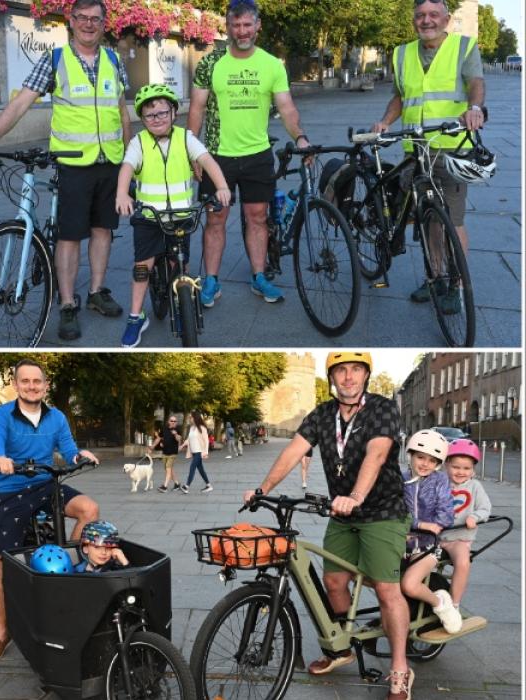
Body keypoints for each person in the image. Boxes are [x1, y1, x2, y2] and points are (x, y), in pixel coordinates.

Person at [244, 352, 414, 700]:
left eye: (355, 370)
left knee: (386, 590)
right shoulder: (322, 415)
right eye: (341, 370)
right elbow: (294, 450)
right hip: (342, 516)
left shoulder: (382, 408)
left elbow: (378, 453)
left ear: (366, 374)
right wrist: (263, 490)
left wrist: (355, 495)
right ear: (332, 376)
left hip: (382, 512)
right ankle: (342, 649)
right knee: (334, 582)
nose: (348, 377)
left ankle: (399, 667)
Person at [0, 0, 131, 341]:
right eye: (82, 18)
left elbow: (121, 110)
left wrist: (132, 156)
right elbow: (21, 102)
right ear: (71, 21)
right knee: (69, 236)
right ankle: (68, 304)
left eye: (96, 19)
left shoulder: (114, 60)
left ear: (104, 24)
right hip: (73, 163)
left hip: (111, 162)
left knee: (104, 230)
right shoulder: (55, 60)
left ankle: (97, 291)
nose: (89, 24)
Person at [187, 0, 311, 309]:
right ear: (227, 27)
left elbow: (286, 108)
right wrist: (192, 152)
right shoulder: (211, 61)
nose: (241, 31)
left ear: (257, 27)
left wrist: (301, 138)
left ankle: (259, 276)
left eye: (247, 25)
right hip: (217, 157)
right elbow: (197, 108)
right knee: (216, 219)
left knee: (258, 218)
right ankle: (212, 279)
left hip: (257, 155)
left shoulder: (271, 65)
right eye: (235, 25)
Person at [0, 359, 100, 663]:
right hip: (12, 489)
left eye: (37, 381)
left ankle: (69, 567)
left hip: (47, 484)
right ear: (16, 384)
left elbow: (68, 449)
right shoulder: (0, 415)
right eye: (26, 381)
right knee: (3, 565)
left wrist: (80, 455)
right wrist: (0, 458)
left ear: (45, 385)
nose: (32, 386)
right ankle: (0, 632)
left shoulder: (57, 416)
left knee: (89, 508)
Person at [373, 0, 487, 311]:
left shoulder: (463, 47)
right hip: (415, 149)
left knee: (452, 219)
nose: (426, 21)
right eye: (421, 15)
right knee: (426, 220)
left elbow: (475, 82)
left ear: (446, 19)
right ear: (413, 21)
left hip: (450, 146)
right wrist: (385, 121)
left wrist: (474, 109)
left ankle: (456, 285)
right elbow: (400, 95)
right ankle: (435, 277)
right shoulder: (402, 53)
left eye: (433, 15)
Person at [113, 83, 231, 347]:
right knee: (143, 266)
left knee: (182, 264)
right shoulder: (139, 142)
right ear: (142, 119)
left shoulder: (185, 138)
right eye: (150, 115)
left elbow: (208, 160)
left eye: (163, 113)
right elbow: (127, 167)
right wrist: (122, 194)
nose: (157, 119)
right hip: (149, 217)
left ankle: (183, 300)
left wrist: (222, 186)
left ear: (173, 113)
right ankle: (136, 316)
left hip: (180, 216)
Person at [398, 430, 461, 634]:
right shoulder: (402, 479)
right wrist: (414, 524)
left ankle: (441, 603)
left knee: (409, 585)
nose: (425, 464)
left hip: (427, 545)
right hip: (400, 543)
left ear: (438, 464)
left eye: (432, 461)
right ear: (411, 455)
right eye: (421, 457)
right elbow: (394, 512)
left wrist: (420, 526)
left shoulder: (439, 481)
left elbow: (445, 515)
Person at [438, 439, 491, 612]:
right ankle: (426, 597)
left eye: (466, 468)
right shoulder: (440, 482)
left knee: (463, 563)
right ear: (447, 465)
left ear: (473, 470)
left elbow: (485, 508)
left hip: (459, 539)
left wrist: (474, 517)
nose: (461, 472)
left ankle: (454, 604)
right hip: (435, 537)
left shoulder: (475, 486)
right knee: (418, 566)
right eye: (456, 467)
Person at [179, 410, 212, 493]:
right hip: (194, 452)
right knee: (201, 469)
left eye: (191, 417)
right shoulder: (192, 428)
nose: (190, 419)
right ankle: (208, 485)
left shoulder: (202, 428)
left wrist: (205, 452)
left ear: (195, 418)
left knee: (192, 468)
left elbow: (206, 441)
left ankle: (186, 486)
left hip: (199, 452)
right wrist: (182, 445)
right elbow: (188, 439)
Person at [150, 415, 182, 492]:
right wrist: (153, 446)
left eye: (175, 421)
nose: (173, 422)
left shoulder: (177, 429)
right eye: (172, 421)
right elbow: (159, 438)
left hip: (173, 453)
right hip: (165, 452)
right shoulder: (164, 429)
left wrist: (175, 434)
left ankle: (165, 486)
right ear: (168, 421)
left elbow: (179, 439)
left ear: (176, 422)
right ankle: (177, 484)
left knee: (168, 468)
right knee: (169, 469)